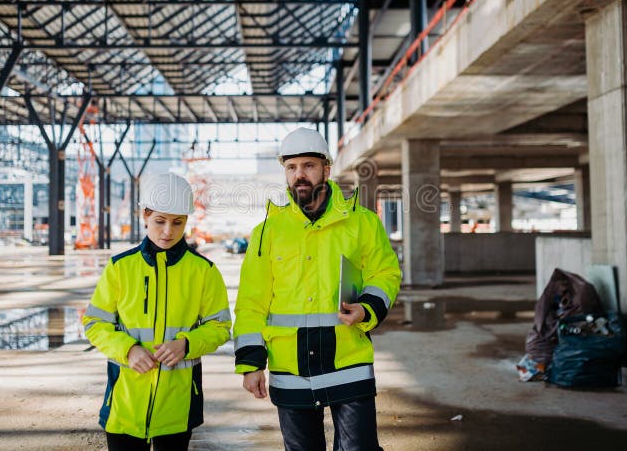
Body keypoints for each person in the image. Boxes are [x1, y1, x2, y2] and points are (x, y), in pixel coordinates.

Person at [234, 128, 401, 451]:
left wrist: (367, 307)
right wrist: (251, 364)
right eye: (291, 167)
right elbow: (251, 301)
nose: (300, 175)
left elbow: (386, 273)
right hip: (290, 370)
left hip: (348, 363)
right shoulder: (267, 231)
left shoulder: (362, 222)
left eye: (308, 166)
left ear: (326, 169)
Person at [83, 173, 231, 451]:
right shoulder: (120, 268)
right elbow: (94, 323)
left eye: (178, 223)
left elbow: (221, 327)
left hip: (177, 407)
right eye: (160, 221)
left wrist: (187, 344)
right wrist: (127, 349)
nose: (168, 232)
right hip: (125, 403)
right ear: (145, 217)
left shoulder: (204, 272)